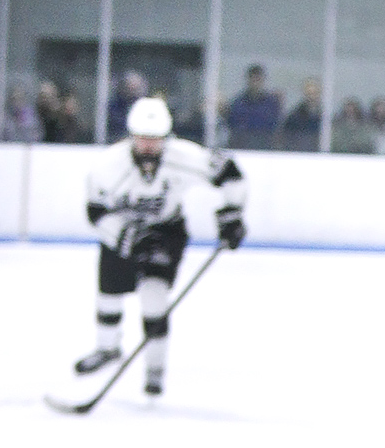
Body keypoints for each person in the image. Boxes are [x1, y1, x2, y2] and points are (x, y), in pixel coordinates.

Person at [77, 96, 247, 397]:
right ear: (131, 136)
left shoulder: (183, 157)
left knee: (154, 296)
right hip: (121, 229)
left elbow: (231, 174)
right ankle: (107, 348)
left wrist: (231, 216)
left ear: (166, 138)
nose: (149, 147)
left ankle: (155, 369)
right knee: (109, 293)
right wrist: (126, 237)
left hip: (166, 231)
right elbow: (96, 212)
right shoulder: (107, 166)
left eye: (156, 140)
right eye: (143, 139)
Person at [227, 64, 281, 150]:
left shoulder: (271, 104)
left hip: (264, 149)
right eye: (253, 79)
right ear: (248, 80)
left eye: (258, 79)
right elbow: (233, 126)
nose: (255, 82)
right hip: (242, 148)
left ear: (263, 80)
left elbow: (275, 127)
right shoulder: (238, 103)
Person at [280, 77, 322, 152]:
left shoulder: (324, 117)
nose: (312, 97)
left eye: (314, 93)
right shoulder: (294, 117)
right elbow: (287, 139)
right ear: (305, 94)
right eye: (309, 94)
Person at [106, 71, 147, 141]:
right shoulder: (115, 104)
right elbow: (114, 123)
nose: (132, 90)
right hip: (117, 139)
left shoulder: (144, 104)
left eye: (135, 87)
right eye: (130, 86)